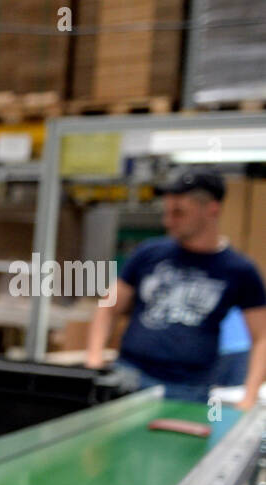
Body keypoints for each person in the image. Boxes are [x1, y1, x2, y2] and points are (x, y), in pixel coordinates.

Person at [85, 169, 266, 409]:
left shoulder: (239, 270)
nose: (168, 220)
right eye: (167, 211)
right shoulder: (149, 253)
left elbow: (262, 336)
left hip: (190, 389)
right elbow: (109, 305)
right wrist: (94, 358)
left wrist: (249, 395)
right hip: (130, 376)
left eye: (179, 212)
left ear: (212, 209)